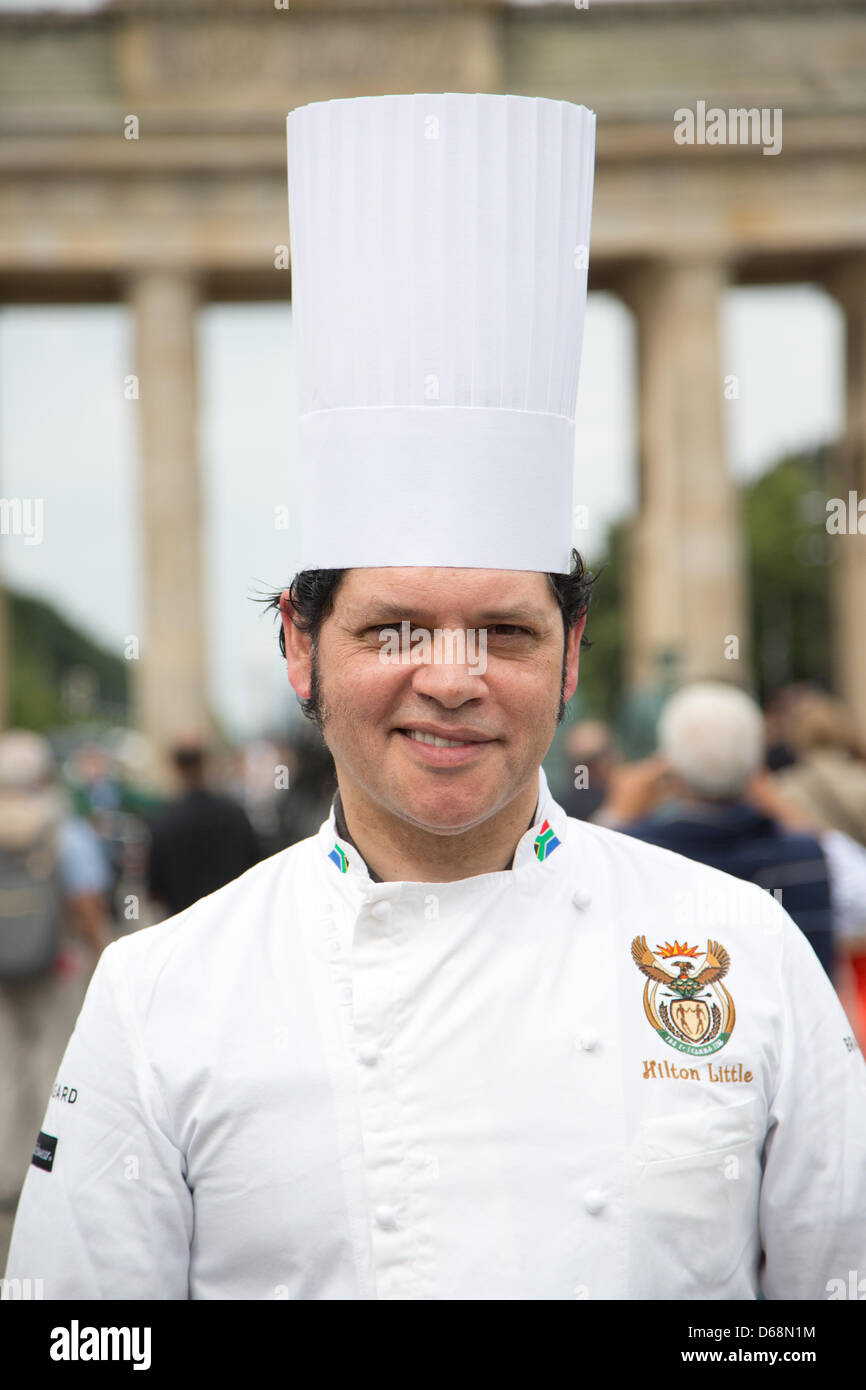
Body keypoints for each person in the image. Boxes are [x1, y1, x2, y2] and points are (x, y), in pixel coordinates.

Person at [6, 93, 866, 1301]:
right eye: (395, 627)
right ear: (300, 649)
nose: (450, 677)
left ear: (570, 659)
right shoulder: (161, 996)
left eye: (503, 630)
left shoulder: (743, 952)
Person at [603, 683, 835, 979]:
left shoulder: (634, 853)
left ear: (668, 762)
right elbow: (839, 857)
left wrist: (614, 815)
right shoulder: (803, 855)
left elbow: (583, 876)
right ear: (756, 762)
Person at [0, 731, 113, 1232]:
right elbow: (86, 898)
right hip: (53, 961)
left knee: (6, 1064)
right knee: (51, 1061)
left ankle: (5, 1172)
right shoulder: (61, 829)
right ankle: (44, 1166)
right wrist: (101, 951)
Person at [146, 741, 261, 918]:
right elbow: (257, 863)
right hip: (236, 915)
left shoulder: (163, 820)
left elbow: (156, 887)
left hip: (187, 920)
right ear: (204, 764)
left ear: (177, 768)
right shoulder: (233, 812)